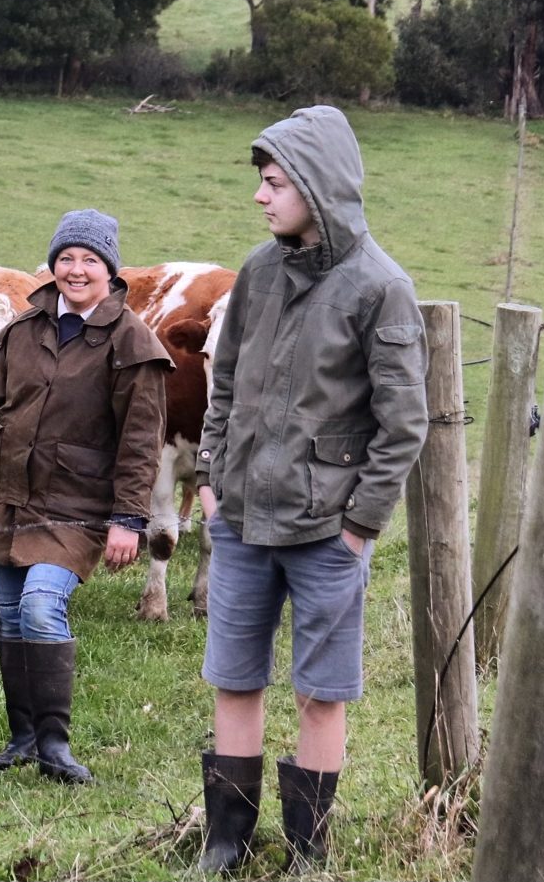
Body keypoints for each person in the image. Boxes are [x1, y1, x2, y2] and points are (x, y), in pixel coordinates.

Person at [194, 105, 429, 873]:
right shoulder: (258, 271)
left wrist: (358, 525)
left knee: (320, 694)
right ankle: (224, 842)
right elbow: (222, 385)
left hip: (328, 530)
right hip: (241, 522)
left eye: (273, 183)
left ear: (318, 186)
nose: (261, 198)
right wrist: (209, 478)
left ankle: (307, 852)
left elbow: (404, 424)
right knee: (234, 679)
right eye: (261, 183)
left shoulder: (380, 288)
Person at [0, 210, 170, 784]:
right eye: (66, 258)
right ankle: (22, 738)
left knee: (40, 608)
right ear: (52, 264)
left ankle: (54, 744)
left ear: (109, 270)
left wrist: (128, 518)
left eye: (90, 260)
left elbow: (141, 441)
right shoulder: (21, 332)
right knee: (8, 615)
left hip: (76, 505)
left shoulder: (132, 343)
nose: (76, 270)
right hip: (7, 499)